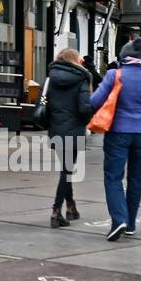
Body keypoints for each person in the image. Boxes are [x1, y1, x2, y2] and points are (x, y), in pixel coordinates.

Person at [88, 37, 141, 241]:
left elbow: (95, 101)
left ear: (123, 57)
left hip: (118, 133)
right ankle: (130, 223)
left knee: (113, 177)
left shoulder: (115, 74)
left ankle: (119, 218)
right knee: (136, 180)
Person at [45, 48, 93, 228]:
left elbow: (45, 101)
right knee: (67, 171)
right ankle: (56, 211)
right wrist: (86, 120)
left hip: (55, 128)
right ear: (74, 59)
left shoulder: (51, 78)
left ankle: (71, 207)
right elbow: (84, 108)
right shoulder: (81, 79)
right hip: (73, 130)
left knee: (66, 169)